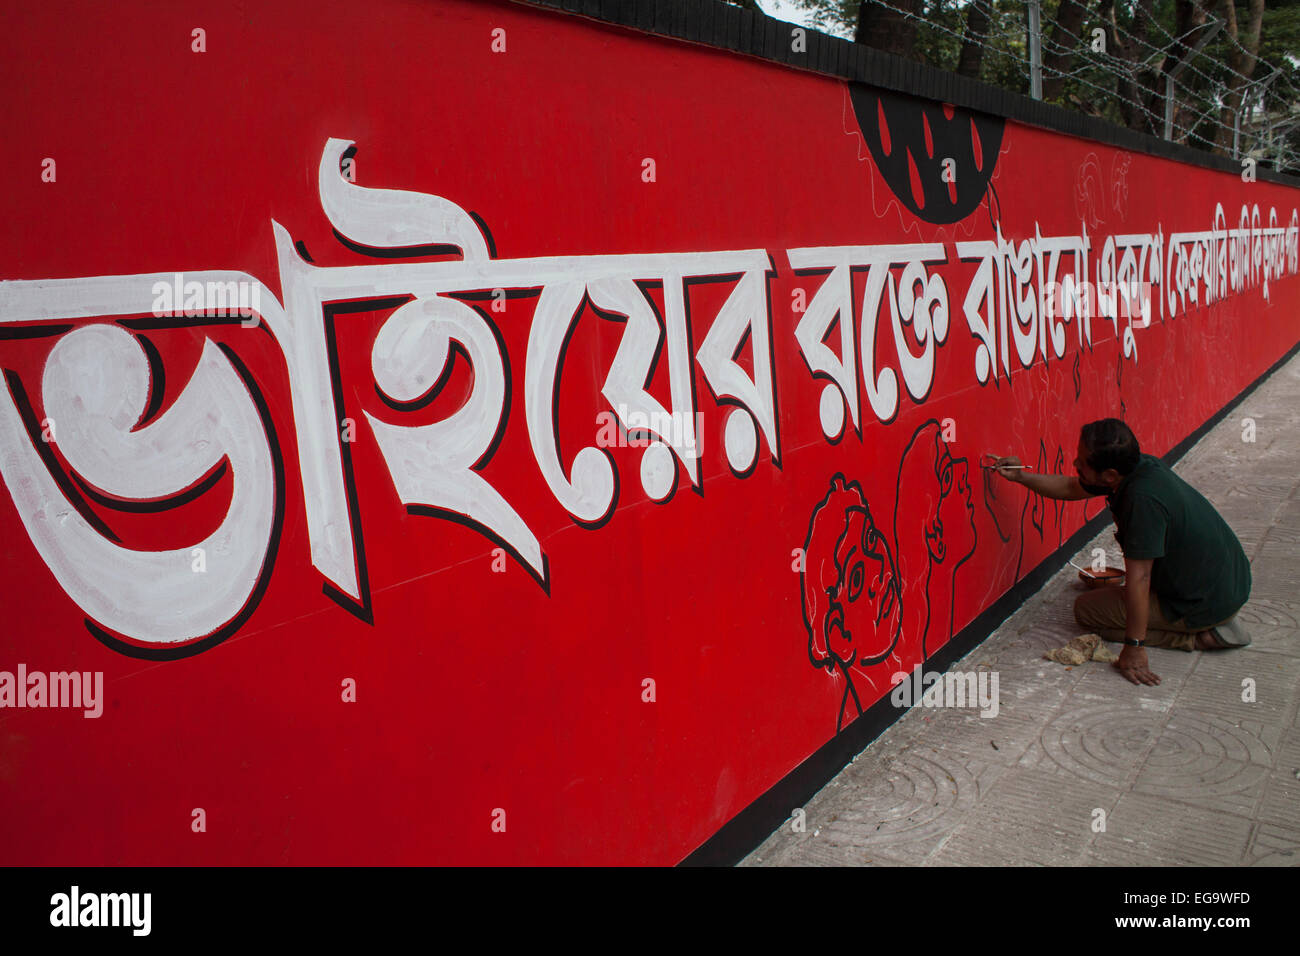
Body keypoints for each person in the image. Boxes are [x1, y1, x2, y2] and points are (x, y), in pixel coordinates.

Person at [993, 418, 1251, 687]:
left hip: (1202, 601)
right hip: (1229, 582)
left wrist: (1135, 647)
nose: (1075, 464)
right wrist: (1020, 476)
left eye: (1082, 461)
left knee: (1088, 611)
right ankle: (1206, 619)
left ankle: (1200, 636)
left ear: (1109, 476)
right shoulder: (1137, 466)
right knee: (1108, 601)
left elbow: (1139, 579)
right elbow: (1071, 488)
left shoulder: (1141, 501)